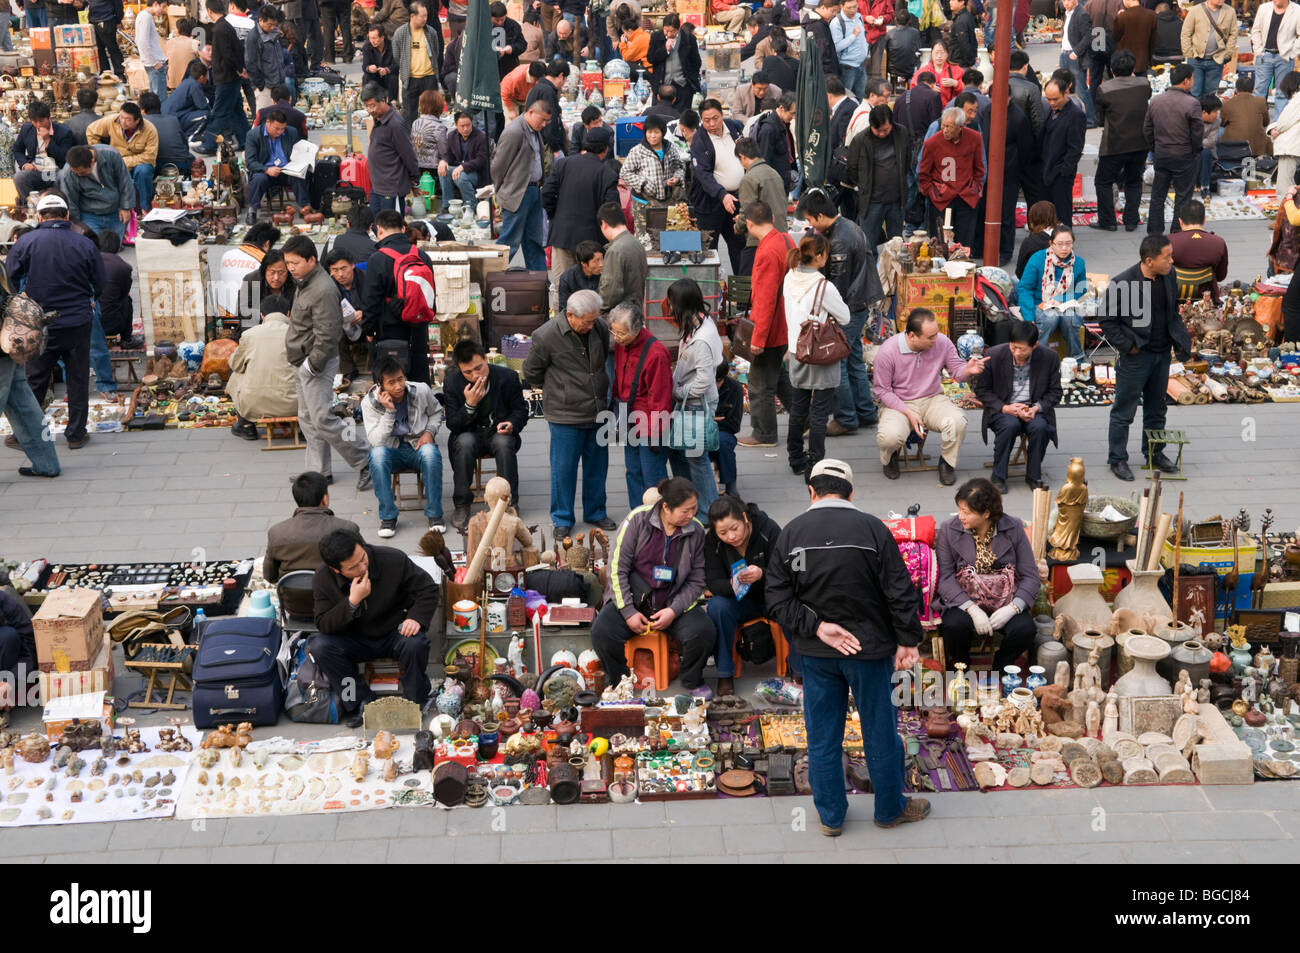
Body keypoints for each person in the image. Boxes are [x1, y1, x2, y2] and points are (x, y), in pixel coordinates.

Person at [766, 458, 927, 836]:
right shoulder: (873, 529)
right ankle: (888, 810)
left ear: (811, 491)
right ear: (852, 493)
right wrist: (908, 640)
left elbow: (775, 600)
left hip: (818, 655)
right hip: (870, 653)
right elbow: (899, 590)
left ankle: (831, 817)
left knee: (823, 735)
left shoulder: (791, 533)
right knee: (880, 731)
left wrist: (818, 627)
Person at [589, 476, 714, 695]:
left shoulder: (695, 530)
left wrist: (673, 611)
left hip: (672, 602)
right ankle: (619, 681)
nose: (692, 515)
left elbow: (697, 580)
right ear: (666, 507)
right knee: (602, 632)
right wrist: (628, 611)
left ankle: (691, 680)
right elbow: (617, 569)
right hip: (635, 600)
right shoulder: (637, 520)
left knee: (703, 631)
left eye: (694, 508)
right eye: (685, 510)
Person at [6, 193, 105, 452]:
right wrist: (92, 298)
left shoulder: (27, 241)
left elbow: (10, 278)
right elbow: (100, 281)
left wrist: (21, 300)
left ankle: (23, 434)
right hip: (77, 320)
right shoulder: (83, 243)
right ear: (67, 215)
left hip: (40, 322)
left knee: (35, 378)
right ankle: (75, 434)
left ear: (39, 217)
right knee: (77, 377)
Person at [311, 528, 438, 728]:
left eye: (363, 558)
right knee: (320, 647)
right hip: (354, 638)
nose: (362, 567)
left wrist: (415, 618)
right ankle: (356, 701)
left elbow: (428, 589)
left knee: (415, 644)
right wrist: (352, 601)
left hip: (394, 631)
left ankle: (417, 699)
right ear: (336, 569)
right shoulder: (323, 578)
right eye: (353, 567)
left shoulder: (391, 559)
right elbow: (324, 624)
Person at [522, 289, 616, 538]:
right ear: (571, 315)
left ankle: (596, 512)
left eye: (595, 320)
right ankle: (562, 517)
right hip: (565, 414)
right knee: (563, 469)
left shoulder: (599, 328)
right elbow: (531, 372)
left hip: (598, 410)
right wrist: (561, 386)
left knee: (598, 466)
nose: (592, 325)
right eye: (587, 322)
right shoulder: (546, 335)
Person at [282, 234, 373, 490]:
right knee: (308, 418)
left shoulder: (322, 289)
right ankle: (317, 471)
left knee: (323, 418)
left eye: (295, 263)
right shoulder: (305, 281)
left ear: (312, 260)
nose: (290, 268)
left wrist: (313, 364)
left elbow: (329, 332)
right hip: (302, 358)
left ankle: (366, 458)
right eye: (288, 263)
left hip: (315, 361)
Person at [1100, 234, 1192, 481]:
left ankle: (1155, 452)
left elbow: (1171, 311)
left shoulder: (1169, 275)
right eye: (1167, 257)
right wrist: (1128, 346)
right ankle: (1117, 458)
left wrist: (1180, 338)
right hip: (1136, 357)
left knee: (1157, 408)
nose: (1172, 261)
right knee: (1124, 409)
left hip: (1162, 355)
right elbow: (1107, 321)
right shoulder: (1123, 283)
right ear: (1149, 260)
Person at [797, 189, 880, 438]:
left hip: (850, 306)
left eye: (811, 220)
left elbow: (837, 286)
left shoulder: (841, 240)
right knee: (853, 357)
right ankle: (865, 411)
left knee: (837, 362)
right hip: (861, 301)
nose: (810, 225)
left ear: (821, 216)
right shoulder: (848, 226)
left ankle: (845, 417)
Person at [936, 478, 1041, 669]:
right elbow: (945, 578)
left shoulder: (1013, 527)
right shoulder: (948, 530)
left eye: (966, 512)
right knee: (953, 625)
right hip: (965, 598)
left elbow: (1031, 576)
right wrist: (972, 609)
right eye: (959, 509)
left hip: (1005, 598)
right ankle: (961, 665)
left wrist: (1013, 608)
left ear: (986, 513)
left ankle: (1002, 664)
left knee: (1025, 629)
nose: (960, 516)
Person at [874, 307, 985, 485]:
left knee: (957, 421)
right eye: (930, 337)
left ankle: (947, 462)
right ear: (912, 336)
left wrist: (968, 370)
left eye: (936, 333)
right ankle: (890, 457)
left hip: (933, 398)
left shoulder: (942, 342)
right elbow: (882, 390)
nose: (936, 339)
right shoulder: (888, 351)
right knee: (889, 437)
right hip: (899, 402)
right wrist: (907, 411)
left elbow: (957, 371)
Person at [781, 232, 850, 478]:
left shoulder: (789, 277)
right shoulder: (824, 286)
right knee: (819, 413)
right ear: (819, 257)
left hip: (796, 351)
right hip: (821, 353)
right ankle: (815, 464)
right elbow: (845, 317)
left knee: (798, 408)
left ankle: (795, 458)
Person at [440, 338, 528, 531]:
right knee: (464, 443)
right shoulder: (452, 383)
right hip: (470, 433)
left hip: (498, 432)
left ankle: (508, 502)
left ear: (486, 359)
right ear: (460, 370)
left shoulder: (507, 377)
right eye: (468, 372)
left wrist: (512, 423)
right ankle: (462, 503)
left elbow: (521, 410)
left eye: (479, 368)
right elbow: (453, 424)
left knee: (504, 444)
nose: (475, 375)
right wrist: (469, 405)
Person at [704, 494, 787, 696]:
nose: (731, 537)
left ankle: (798, 668)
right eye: (723, 533)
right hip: (738, 602)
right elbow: (712, 582)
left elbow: (787, 572)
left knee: (790, 602)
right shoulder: (713, 541)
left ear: (744, 517)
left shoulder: (768, 529)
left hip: (770, 597)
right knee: (717, 607)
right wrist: (730, 585)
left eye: (734, 528)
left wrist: (762, 573)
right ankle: (724, 673)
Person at [971, 322, 1061, 493]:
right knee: (1010, 425)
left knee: (1040, 427)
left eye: (1023, 349)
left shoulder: (1049, 357)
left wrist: (1036, 408)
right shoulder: (994, 355)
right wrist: (1005, 408)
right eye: (1014, 347)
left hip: (1032, 407)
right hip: (1004, 407)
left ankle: (1034, 475)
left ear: (1035, 345)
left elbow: (1055, 392)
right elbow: (982, 391)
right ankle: (998, 476)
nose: (1018, 353)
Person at [361, 355, 445, 537]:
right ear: (380, 384)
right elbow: (376, 441)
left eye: (400, 379)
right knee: (376, 455)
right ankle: (388, 517)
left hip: (418, 447)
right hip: (392, 451)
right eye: (391, 382)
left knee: (431, 453)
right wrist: (389, 412)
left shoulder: (421, 390)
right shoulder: (369, 403)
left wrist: (429, 432)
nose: (398, 386)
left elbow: (437, 412)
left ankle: (435, 514)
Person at [737, 200, 794, 449]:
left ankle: (764, 433)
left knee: (759, 383)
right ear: (771, 216)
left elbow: (765, 298)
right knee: (778, 376)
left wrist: (757, 339)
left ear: (749, 223)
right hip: (785, 322)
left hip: (771, 327)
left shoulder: (768, 251)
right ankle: (807, 419)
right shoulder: (785, 240)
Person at [664, 278, 723, 510]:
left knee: (697, 459)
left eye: (670, 303)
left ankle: (709, 509)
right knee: (683, 453)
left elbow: (704, 379)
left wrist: (679, 392)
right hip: (693, 402)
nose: (668, 308)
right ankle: (692, 502)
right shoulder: (699, 323)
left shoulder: (701, 338)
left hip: (696, 404)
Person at [362, 209, 437, 385]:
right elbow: (431, 295)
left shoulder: (377, 259)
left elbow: (370, 301)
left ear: (378, 229)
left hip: (388, 331)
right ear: (403, 228)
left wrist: (368, 330)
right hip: (417, 330)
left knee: (391, 385)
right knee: (418, 384)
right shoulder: (422, 256)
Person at [610, 302, 672, 507]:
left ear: (637, 329)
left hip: (649, 422)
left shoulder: (656, 353)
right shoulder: (622, 345)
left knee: (652, 477)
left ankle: (658, 521)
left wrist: (656, 435)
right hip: (628, 415)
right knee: (633, 470)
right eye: (614, 332)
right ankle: (638, 516)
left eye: (621, 334)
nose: (616, 338)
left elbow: (660, 398)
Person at [544, 126, 620, 291]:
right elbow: (610, 210)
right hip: (592, 242)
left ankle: (563, 317)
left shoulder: (563, 164)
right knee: (590, 291)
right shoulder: (607, 174)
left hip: (563, 236)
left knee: (562, 288)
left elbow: (546, 194)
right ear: (606, 149)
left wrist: (555, 216)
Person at [1092, 50, 1151, 233]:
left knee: (1103, 181)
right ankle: (1131, 220)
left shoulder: (1104, 89)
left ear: (1111, 69)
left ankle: (1108, 221)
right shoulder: (1144, 84)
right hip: (1140, 142)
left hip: (1115, 144)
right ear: (1133, 68)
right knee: (1134, 180)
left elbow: (1099, 118)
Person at [491, 100, 551, 272]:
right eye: (542, 120)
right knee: (510, 241)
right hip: (517, 193)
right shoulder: (515, 131)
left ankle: (540, 280)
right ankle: (493, 275)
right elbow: (498, 165)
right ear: (531, 113)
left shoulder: (534, 129)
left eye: (547, 121)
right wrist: (501, 190)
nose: (544, 124)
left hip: (533, 190)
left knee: (534, 240)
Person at [227, 295, 297, 440]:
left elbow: (235, 364)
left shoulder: (249, 335)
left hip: (254, 405)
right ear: (288, 314)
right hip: (295, 405)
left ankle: (246, 425)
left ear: (262, 315)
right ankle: (303, 428)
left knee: (236, 373)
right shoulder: (298, 334)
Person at [1145, 63, 1204, 235]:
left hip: (1162, 154)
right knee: (1183, 196)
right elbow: (1197, 132)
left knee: (1158, 195)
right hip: (1183, 154)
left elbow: (1147, 129)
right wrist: (1194, 150)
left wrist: (1155, 148)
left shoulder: (1156, 101)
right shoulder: (1192, 103)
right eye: (1192, 78)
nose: (1193, 81)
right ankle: (1177, 232)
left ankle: (1154, 232)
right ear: (1186, 81)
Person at [690, 100, 746, 273]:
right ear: (701, 120)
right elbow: (703, 175)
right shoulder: (699, 140)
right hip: (710, 203)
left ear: (722, 115)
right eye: (707, 120)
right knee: (708, 251)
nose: (712, 124)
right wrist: (722, 194)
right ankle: (710, 293)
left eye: (715, 118)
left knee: (739, 248)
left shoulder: (733, 128)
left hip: (735, 200)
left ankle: (742, 296)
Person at [918, 106, 985, 249]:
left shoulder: (975, 138)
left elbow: (979, 167)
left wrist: (976, 187)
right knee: (941, 242)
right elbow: (923, 173)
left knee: (965, 242)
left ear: (960, 126)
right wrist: (931, 191)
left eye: (949, 126)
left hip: (966, 196)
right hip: (941, 197)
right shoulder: (931, 143)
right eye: (943, 125)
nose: (945, 130)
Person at [1018, 225, 1088, 360]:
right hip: (1040, 303)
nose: (1064, 248)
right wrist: (1029, 317)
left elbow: (1081, 288)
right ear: (1051, 243)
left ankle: (1077, 358)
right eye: (1060, 244)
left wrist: (1061, 299)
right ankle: (1036, 358)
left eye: (1068, 244)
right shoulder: (1038, 259)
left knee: (1070, 318)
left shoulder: (1078, 262)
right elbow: (1025, 288)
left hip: (1064, 303)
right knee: (1050, 317)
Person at [198, 0, 250, 158]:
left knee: (220, 112)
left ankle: (208, 144)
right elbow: (236, 50)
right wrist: (240, 68)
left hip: (226, 77)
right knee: (236, 111)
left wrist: (239, 69)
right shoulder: (225, 26)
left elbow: (227, 54)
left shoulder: (220, 28)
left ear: (209, 11)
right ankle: (245, 141)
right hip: (230, 76)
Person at [85, 103, 158, 213]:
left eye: (128, 119)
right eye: (121, 117)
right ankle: (115, 209)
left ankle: (145, 209)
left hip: (140, 163)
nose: (123, 121)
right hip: (116, 162)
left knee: (143, 171)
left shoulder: (150, 129)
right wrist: (99, 153)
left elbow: (149, 156)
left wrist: (124, 161)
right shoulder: (112, 121)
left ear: (137, 120)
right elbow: (91, 131)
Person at [361, 83, 419, 217]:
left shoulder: (395, 124)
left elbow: (408, 155)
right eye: (367, 107)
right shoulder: (379, 118)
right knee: (376, 225)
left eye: (372, 105)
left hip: (392, 188)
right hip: (378, 185)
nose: (370, 110)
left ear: (384, 100)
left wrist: (415, 180)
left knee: (392, 227)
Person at [243, 108, 308, 223]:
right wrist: (266, 169)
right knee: (258, 179)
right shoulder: (253, 135)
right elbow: (250, 161)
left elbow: (298, 153)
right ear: (268, 123)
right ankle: (252, 210)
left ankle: (304, 207)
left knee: (298, 175)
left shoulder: (291, 132)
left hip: (286, 170)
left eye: (282, 129)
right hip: (265, 171)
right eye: (276, 129)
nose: (280, 132)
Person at [735, 136, 787, 275]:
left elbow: (747, 211)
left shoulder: (749, 178)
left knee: (750, 285)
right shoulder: (774, 173)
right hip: (780, 235)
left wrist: (738, 226)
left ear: (742, 157)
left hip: (759, 241)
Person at [1040, 78, 1086, 229]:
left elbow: (1075, 148)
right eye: (1048, 99)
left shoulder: (1075, 114)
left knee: (1062, 213)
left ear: (1066, 92)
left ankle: (1064, 244)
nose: (1052, 103)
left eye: (1055, 99)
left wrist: (1064, 170)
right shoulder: (1050, 111)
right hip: (1047, 168)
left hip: (1061, 172)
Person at [12, 101, 75, 207]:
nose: (38, 125)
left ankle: (64, 210)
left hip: (56, 171)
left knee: (63, 177)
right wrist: (25, 164)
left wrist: (47, 141)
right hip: (37, 171)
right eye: (34, 121)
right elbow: (17, 149)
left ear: (48, 117)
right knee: (19, 177)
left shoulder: (63, 132)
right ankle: (31, 208)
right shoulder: (27, 129)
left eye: (41, 121)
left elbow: (65, 158)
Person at [1167, 198, 1229, 301]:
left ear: (1180, 221)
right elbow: (1220, 276)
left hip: (1171, 297)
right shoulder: (1218, 242)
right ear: (1204, 220)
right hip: (1206, 299)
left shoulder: (1167, 241)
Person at [620, 114, 686, 208]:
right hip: (644, 201)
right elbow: (624, 173)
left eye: (656, 132)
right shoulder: (638, 151)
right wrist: (643, 183)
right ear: (645, 133)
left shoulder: (670, 148)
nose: (653, 136)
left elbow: (679, 166)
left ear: (662, 133)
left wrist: (677, 177)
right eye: (649, 132)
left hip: (667, 199)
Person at [1251, 0, 1300, 121]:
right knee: (1259, 91)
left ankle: (1278, 125)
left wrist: (1292, 53)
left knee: (1282, 93)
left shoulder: (1297, 10)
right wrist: (1258, 51)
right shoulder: (1264, 8)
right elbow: (1256, 30)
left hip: (1284, 57)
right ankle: (1257, 123)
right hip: (1264, 55)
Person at [394, 1, 440, 126]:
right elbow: (397, 56)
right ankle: (410, 143)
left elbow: (436, 52)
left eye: (426, 16)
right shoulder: (400, 33)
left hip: (429, 77)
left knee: (432, 114)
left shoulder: (431, 32)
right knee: (409, 115)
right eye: (422, 16)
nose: (425, 19)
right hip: (410, 79)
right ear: (412, 16)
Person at [597, 201, 648, 313]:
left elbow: (610, 292)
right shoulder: (636, 244)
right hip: (635, 313)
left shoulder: (615, 250)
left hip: (619, 317)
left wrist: (598, 310)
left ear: (604, 224)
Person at [1180, 0, 1237, 99]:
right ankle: (1195, 114)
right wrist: (1189, 53)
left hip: (1216, 59)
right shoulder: (1195, 10)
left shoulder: (1230, 11)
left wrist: (1227, 53)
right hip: (1196, 58)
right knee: (1194, 93)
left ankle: (1206, 114)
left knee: (1210, 96)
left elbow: (1233, 34)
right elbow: (1185, 33)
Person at [324, 249, 366, 381]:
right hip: (343, 324)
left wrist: (364, 312)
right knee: (332, 329)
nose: (340, 274)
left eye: (343, 268)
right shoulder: (329, 286)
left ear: (352, 265)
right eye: (335, 270)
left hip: (365, 321)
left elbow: (377, 301)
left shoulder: (366, 279)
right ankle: (348, 369)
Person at [647, 13, 701, 108]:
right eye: (666, 31)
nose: (669, 34)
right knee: (661, 116)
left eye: (672, 31)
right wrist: (665, 50)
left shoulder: (688, 38)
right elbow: (650, 58)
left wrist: (691, 79)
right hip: (662, 86)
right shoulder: (656, 37)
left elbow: (696, 62)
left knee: (682, 118)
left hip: (683, 85)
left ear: (678, 29)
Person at [439, 111, 489, 212]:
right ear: (456, 125)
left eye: (468, 125)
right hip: (461, 169)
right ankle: (447, 205)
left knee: (462, 177)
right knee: (444, 171)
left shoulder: (481, 136)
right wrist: (443, 161)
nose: (465, 128)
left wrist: (463, 167)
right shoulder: (452, 135)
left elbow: (481, 160)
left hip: (478, 173)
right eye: (462, 126)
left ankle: (471, 207)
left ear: (472, 123)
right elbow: (449, 154)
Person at [96, 231, 137, 349]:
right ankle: (126, 339)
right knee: (127, 299)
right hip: (112, 324)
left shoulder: (87, 261)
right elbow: (124, 293)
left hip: (87, 322)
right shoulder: (123, 266)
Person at [752, 90, 798, 192]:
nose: (794, 117)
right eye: (792, 113)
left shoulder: (785, 124)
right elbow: (764, 160)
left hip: (784, 180)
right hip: (774, 186)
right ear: (781, 108)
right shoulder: (768, 129)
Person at [1220, 74, 1274, 157]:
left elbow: (1222, 123)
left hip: (1234, 146)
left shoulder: (1227, 103)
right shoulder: (1261, 101)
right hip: (1257, 147)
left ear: (1236, 90)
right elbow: (1266, 123)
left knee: (1219, 129)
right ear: (1253, 90)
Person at [710, 363, 742, 498]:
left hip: (723, 431)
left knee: (723, 442)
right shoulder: (697, 385)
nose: (715, 386)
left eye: (718, 381)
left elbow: (734, 424)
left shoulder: (734, 389)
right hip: (697, 427)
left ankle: (730, 485)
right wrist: (711, 420)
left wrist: (711, 421)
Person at [1059, 0, 1094, 124]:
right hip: (1065, 54)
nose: (1065, 3)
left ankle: (1089, 119)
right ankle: (1067, 115)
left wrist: (1076, 52)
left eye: (1068, 0)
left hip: (1074, 56)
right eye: (1063, 1)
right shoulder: (1068, 13)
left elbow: (1088, 36)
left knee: (1080, 89)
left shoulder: (1082, 14)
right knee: (1062, 86)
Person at [245, 5, 284, 110]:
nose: (272, 27)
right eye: (269, 25)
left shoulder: (275, 33)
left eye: (274, 25)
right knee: (264, 119)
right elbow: (250, 64)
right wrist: (260, 85)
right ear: (260, 20)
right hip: (265, 87)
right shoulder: (253, 37)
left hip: (278, 84)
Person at [525, 61, 568, 153]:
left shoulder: (539, 87)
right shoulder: (547, 91)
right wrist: (556, 149)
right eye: (565, 79)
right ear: (561, 76)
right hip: (545, 146)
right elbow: (549, 123)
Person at [164, 61, 212, 140]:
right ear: (201, 77)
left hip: (169, 117)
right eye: (206, 76)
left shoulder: (187, 82)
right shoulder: (195, 86)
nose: (207, 79)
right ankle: (190, 137)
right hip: (174, 119)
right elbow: (202, 106)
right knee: (206, 115)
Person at [242, 249, 295, 315]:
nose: (276, 278)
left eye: (281, 273)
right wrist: (269, 315)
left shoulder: (294, 283)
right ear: (264, 271)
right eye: (272, 272)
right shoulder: (251, 280)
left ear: (288, 271)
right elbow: (242, 310)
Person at [911, 39, 962, 107]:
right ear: (931, 53)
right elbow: (913, 88)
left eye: (942, 52)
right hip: (928, 109)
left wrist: (956, 84)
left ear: (947, 54)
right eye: (936, 52)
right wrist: (927, 89)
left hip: (950, 110)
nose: (939, 56)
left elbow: (966, 90)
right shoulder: (923, 71)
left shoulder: (957, 70)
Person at [1015, 201, 1058, 279]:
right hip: (1062, 281)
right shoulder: (1065, 236)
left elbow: (1020, 273)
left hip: (1036, 284)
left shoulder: (1029, 242)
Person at [557, 241, 604, 313]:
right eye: (596, 261)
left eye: (602, 259)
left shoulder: (606, 273)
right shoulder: (568, 278)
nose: (601, 264)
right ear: (584, 263)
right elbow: (564, 308)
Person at [1114, 0, 1156, 74]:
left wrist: (1117, 18)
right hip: (1143, 62)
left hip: (1125, 63)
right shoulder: (1152, 15)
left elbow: (1115, 37)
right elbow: (1153, 41)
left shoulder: (1122, 16)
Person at [363, 24, 400, 103]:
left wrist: (387, 70)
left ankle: (392, 103)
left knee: (392, 78)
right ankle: (368, 101)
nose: (372, 41)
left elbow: (397, 64)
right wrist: (369, 68)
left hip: (389, 75)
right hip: (375, 75)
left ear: (382, 37)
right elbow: (364, 65)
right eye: (370, 38)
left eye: (374, 38)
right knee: (367, 76)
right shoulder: (367, 46)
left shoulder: (393, 45)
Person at [884, 8, 922, 84]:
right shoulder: (915, 32)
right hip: (910, 68)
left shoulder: (889, 33)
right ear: (909, 20)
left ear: (895, 19)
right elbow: (918, 49)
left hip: (893, 68)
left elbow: (886, 50)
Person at [320, 0, 354, 64]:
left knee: (328, 30)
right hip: (344, 2)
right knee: (346, 29)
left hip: (327, 3)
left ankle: (329, 58)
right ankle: (348, 57)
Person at [947, 0, 978, 68]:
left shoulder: (962, 20)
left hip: (960, 62)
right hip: (964, 60)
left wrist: (969, 62)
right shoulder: (966, 16)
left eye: (953, 0)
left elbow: (964, 43)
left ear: (962, 2)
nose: (950, 2)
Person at [1152, 0, 1183, 66]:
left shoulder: (1154, 23)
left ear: (1157, 12)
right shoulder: (1180, 22)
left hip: (1159, 58)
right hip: (1180, 58)